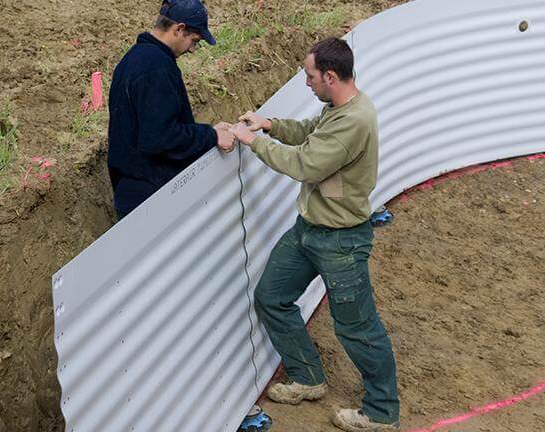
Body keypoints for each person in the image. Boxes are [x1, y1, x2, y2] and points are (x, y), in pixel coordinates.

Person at [230, 38, 400, 432]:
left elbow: (305, 164)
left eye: (310, 76)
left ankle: (381, 411)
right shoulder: (338, 110)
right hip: (310, 229)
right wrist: (270, 125)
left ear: (330, 76)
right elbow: (310, 132)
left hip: (341, 240)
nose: (306, 83)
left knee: (358, 327)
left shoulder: (354, 121)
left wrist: (253, 141)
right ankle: (307, 377)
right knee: (272, 296)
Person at [106, 0, 235, 219]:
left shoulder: (134, 58)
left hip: (131, 192)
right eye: (194, 40)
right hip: (151, 198)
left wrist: (209, 133)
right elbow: (160, 137)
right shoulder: (156, 68)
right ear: (179, 28)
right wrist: (211, 136)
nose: (192, 49)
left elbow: (151, 126)